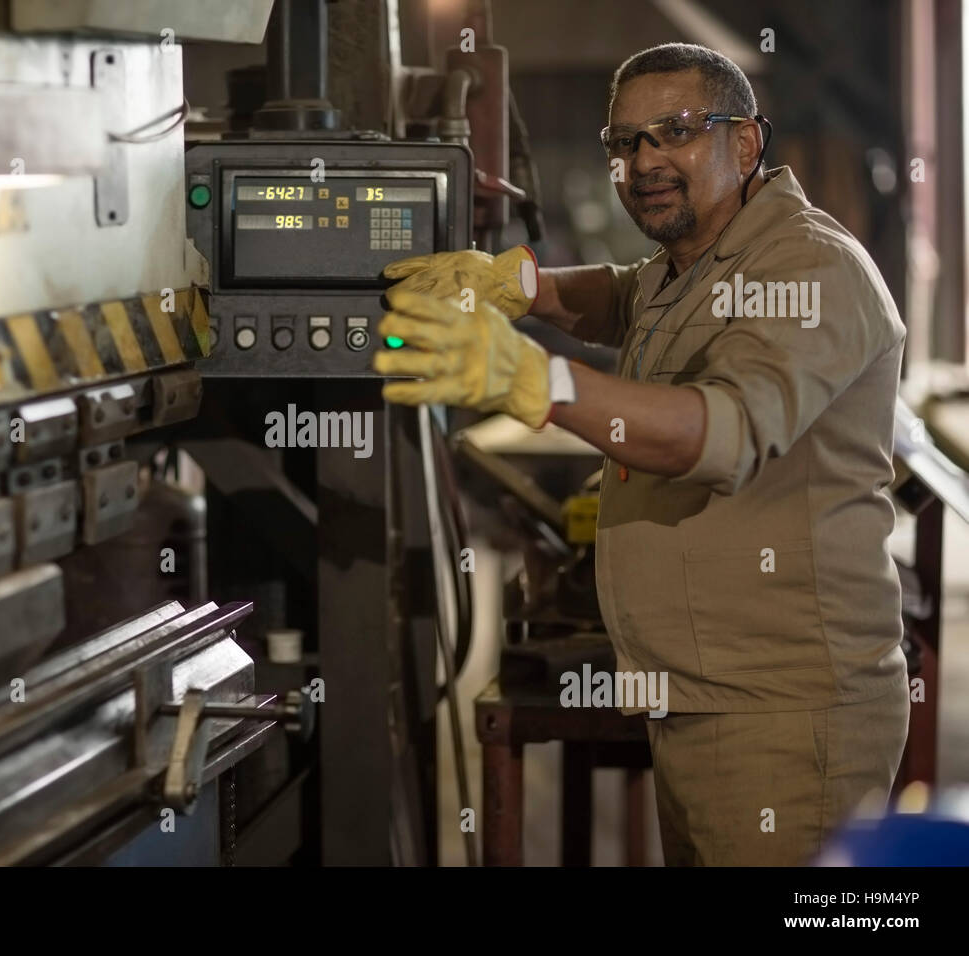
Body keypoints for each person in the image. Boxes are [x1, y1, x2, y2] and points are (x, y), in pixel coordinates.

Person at [373, 42, 910, 866]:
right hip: (698, 699)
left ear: (745, 143)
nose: (644, 162)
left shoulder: (810, 268)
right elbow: (622, 295)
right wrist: (520, 282)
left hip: (784, 716)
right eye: (625, 143)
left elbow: (722, 433)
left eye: (676, 132)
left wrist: (538, 379)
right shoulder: (692, 263)